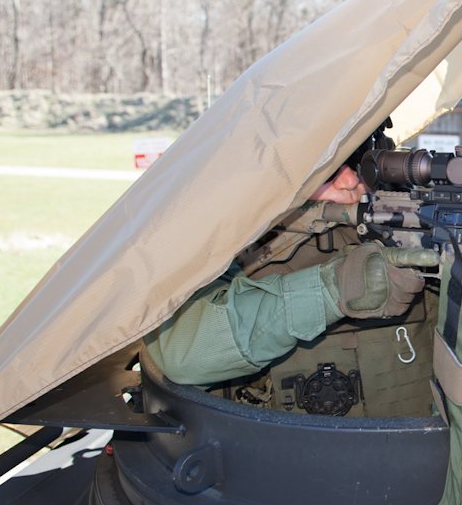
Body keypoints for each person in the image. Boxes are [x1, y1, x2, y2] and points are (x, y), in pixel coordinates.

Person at [144, 165, 438, 386]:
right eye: (327, 169)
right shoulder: (229, 236)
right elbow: (180, 353)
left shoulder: (403, 215)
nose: (350, 181)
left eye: (358, 163)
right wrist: (331, 290)